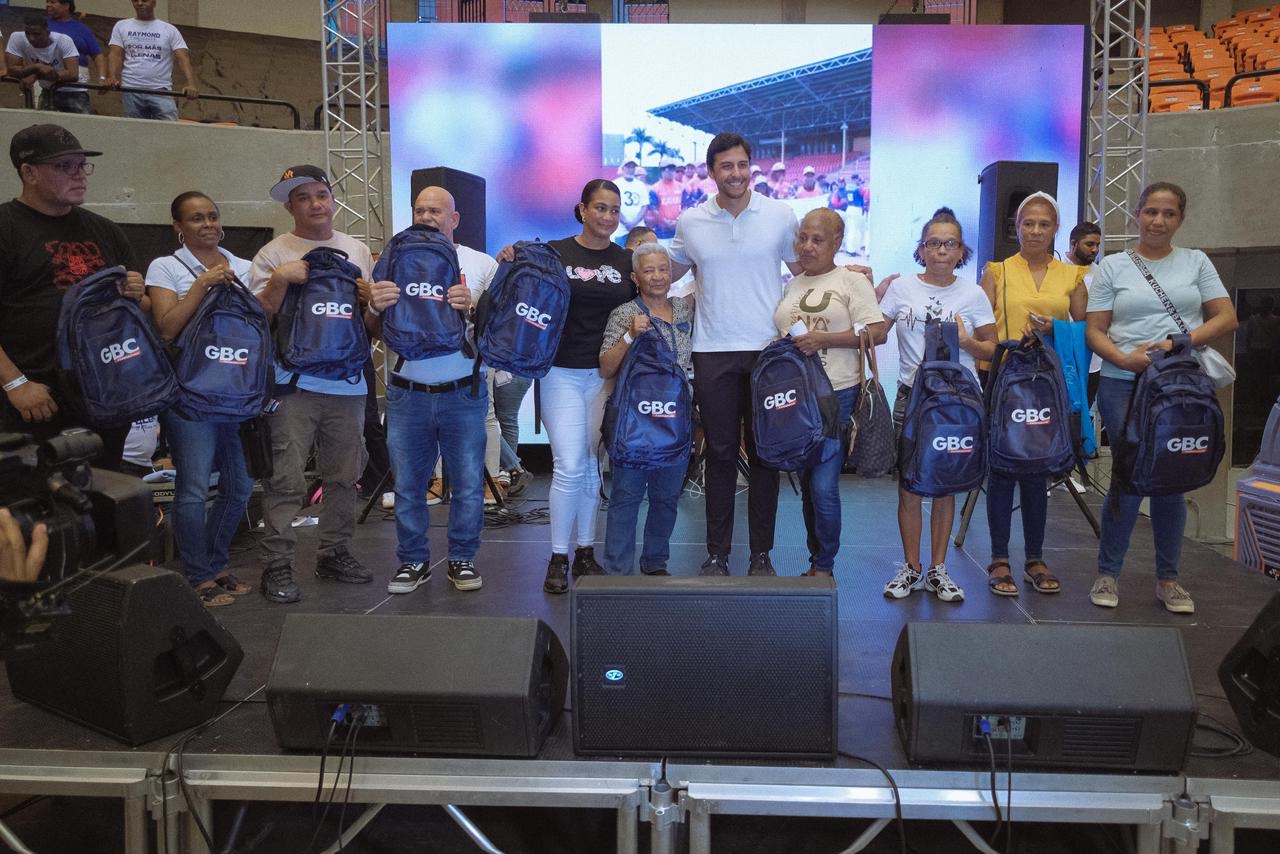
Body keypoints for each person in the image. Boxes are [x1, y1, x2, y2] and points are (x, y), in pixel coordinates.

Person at [1085, 182, 1237, 615]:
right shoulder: (1113, 265)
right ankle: (1107, 571)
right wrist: (1122, 357)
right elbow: (1095, 329)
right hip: (1123, 381)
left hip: (1178, 383)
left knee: (1173, 476)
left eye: (1168, 214)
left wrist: (1178, 342)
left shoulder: (1196, 261)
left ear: (1180, 219)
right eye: (1151, 211)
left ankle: (1169, 580)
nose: (1158, 221)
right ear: (1136, 214)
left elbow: (1227, 317)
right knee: (1130, 474)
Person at [667, 132, 800, 577]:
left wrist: (851, 279)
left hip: (768, 352)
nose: (736, 174)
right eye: (726, 166)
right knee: (720, 455)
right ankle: (717, 554)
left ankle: (761, 554)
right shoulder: (691, 221)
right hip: (713, 351)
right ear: (711, 171)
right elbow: (664, 266)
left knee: (766, 455)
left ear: (751, 168)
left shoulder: (780, 215)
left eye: (742, 165)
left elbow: (804, 272)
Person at [249, 164, 374, 604]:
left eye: (321, 194)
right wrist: (281, 280)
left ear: (332, 198)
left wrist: (372, 304)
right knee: (286, 478)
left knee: (344, 477)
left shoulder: (357, 250)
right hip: (294, 385)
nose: (315, 203)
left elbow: (366, 326)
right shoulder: (273, 253)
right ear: (290, 206)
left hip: (348, 384)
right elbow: (258, 318)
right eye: (303, 198)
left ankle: (334, 552)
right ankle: (278, 563)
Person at [501, 180, 634, 593]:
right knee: (569, 465)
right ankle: (558, 557)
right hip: (560, 371)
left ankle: (586, 551)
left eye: (614, 210)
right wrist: (508, 255)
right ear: (582, 209)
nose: (608, 217)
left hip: (605, 375)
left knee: (592, 467)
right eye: (600, 208)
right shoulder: (557, 252)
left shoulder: (627, 260)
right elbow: (517, 273)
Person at [366, 185, 490, 596]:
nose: (426, 216)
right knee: (408, 485)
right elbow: (372, 329)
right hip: (407, 391)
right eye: (419, 209)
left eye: (436, 210)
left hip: (463, 392)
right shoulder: (391, 256)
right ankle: (413, 560)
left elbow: (498, 334)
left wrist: (471, 308)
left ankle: (462, 558)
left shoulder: (480, 264)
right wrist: (373, 306)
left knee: (469, 484)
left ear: (454, 218)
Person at [0, 124, 144, 469]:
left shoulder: (106, 230)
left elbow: (136, 314)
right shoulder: (5, 226)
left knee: (106, 499)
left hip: (101, 394)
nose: (79, 175)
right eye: (64, 166)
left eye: (81, 165)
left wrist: (135, 293)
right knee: (37, 508)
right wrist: (15, 383)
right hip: (34, 397)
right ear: (29, 173)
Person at [879, 207, 997, 602]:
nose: (942, 250)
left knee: (946, 486)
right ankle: (910, 568)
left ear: (961, 251)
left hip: (957, 402)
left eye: (950, 243)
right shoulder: (901, 289)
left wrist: (966, 342)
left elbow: (993, 349)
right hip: (912, 396)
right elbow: (877, 334)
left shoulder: (973, 293)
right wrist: (871, 296)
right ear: (922, 249)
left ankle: (938, 569)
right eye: (934, 243)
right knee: (909, 486)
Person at [146, 191, 255, 607]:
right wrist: (202, 284)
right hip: (190, 395)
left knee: (241, 486)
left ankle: (215, 563)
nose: (207, 224)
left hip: (235, 392)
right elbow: (167, 328)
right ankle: (198, 576)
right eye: (195, 219)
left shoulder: (243, 266)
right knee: (192, 488)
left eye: (212, 216)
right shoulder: (165, 267)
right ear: (178, 227)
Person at [977, 192, 1086, 597]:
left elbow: (1085, 331)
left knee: (1037, 470)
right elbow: (981, 326)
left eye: (1044, 223)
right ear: (1017, 227)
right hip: (1005, 381)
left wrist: (1054, 329)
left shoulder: (1071, 275)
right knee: (1003, 469)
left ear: (1056, 228)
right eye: (1028, 223)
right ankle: (999, 558)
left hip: (1047, 386)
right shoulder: (998, 271)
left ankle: (1035, 558)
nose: (1036, 230)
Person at [773, 209, 884, 578]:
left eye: (817, 239)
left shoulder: (851, 281)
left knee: (822, 485)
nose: (806, 246)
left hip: (837, 394)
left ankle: (825, 565)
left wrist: (826, 339)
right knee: (808, 485)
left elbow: (878, 332)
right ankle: (816, 561)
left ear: (837, 242)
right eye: (802, 238)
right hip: (797, 398)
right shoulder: (792, 285)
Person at [598, 242, 693, 576]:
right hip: (633, 424)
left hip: (674, 421)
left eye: (663, 269)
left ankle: (655, 563)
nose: (657, 277)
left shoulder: (684, 309)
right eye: (649, 270)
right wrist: (628, 336)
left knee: (667, 498)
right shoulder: (624, 313)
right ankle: (616, 571)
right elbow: (606, 368)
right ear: (635, 277)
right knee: (625, 497)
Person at [106, 0, 198, 121]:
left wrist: (190, 83)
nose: (139, 3)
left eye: (144, 0)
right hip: (131, 89)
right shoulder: (122, 26)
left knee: (171, 130)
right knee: (135, 132)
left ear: (154, 3)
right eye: (135, 0)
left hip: (161, 90)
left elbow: (182, 58)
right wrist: (112, 76)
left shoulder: (169, 29)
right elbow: (115, 54)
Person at [5, 16, 81, 113]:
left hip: (73, 92)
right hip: (47, 90)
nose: (31, 38)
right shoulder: (17, 38)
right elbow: (12, 70)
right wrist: (36, 67)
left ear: (48, 33)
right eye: (27, 34)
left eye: (37, 34)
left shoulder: (63, 40)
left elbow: (73, 74)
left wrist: (35, 75)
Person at [1066, 221, 1103, 404]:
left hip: (1093, 360)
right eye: (1089, 244)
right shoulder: (1055, 269)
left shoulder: (1103, 274)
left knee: (1082, 415)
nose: (1095, 250)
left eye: (1097, 245)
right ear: (1073, 244)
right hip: (1062, 354)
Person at [45, 0, 105, 111]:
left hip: (76, 89)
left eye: (53, 2)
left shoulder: (81, 29)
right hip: (47, 86)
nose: (48, 5)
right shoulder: (42, 27)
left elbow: (97, 54)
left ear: (66, 5)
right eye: (47, 2)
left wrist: (102, 77)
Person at [615, 159, 649, 240]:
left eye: (632, 167)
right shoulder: (615, 184)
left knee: (639, 252)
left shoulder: (641, 185)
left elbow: (644, 207)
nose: (630, 170)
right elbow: (613, 206)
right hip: (621, 230)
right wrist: (625, 222)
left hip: (639, 229)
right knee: (621, 252)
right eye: (628, 167)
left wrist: (634, 223)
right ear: (623, 169)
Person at [650, 162, 683, 239]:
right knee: (663, 251)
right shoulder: (655, 188)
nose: (671, 172)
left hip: (678, 228)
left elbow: (685, 206)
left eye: (673, 170)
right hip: (662, 230)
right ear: (662, 171)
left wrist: (677, 221)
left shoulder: (681, 187)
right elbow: (654, 209)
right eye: (668, 170)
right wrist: (667, 223)